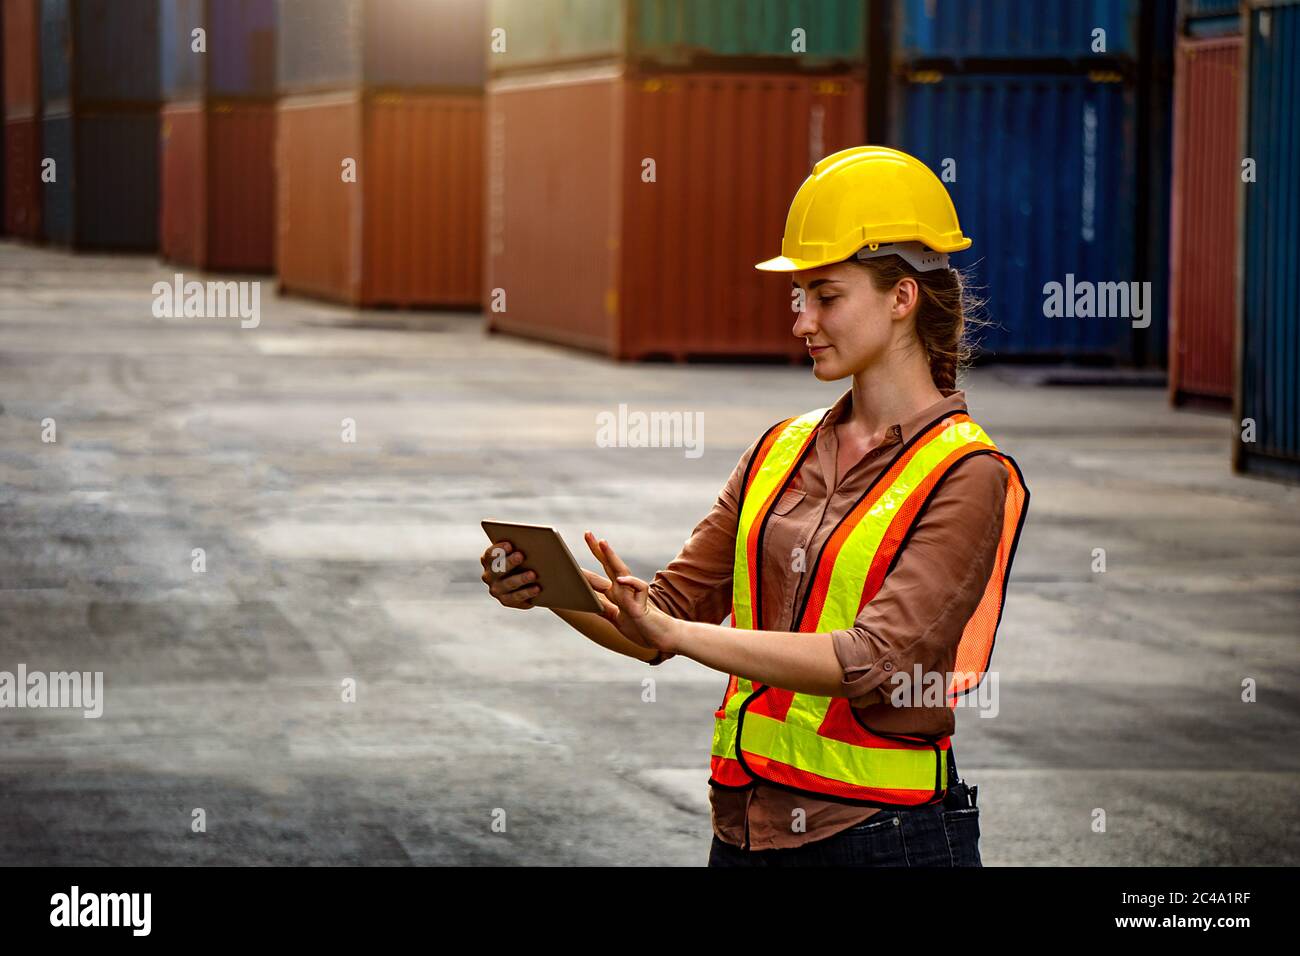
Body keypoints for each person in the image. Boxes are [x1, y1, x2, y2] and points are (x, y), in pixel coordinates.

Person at [480, 146, 1029, 867]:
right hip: (746, 833)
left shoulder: (966, 473)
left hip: (885, 843)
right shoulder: (781, 450)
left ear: (903, 298)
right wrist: (549, 586)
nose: (803, 321)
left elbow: (871, 660)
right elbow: (659, 616)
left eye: (827, 296)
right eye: (800, 297)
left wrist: (676, 634)